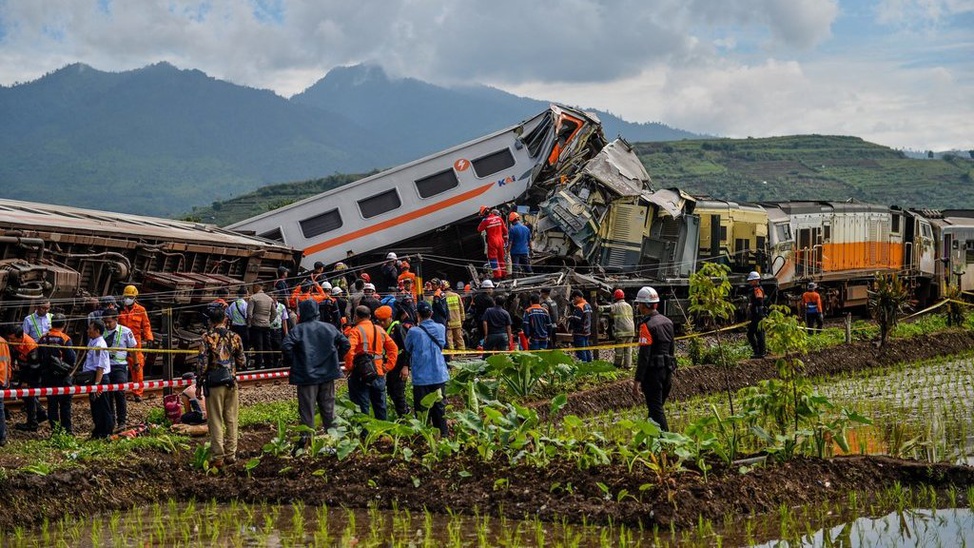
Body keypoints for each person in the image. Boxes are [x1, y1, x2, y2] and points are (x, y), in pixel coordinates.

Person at [283, 299, 351, 447]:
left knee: (307, 411)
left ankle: (307, 443)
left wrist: (296, 361)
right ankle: (333, 442)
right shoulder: (330, 328)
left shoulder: (298, 330)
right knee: (328, 408)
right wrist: (335, 358)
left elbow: (286, 346)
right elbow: (346, 343)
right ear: (317, 312)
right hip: (328, 374)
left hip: (306, 376)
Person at [196, 307, 246, 468]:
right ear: (225, 318)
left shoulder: (207, 337)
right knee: (231, 418)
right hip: (231, 381)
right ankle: (231, 454)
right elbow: (242, 361)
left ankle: (218, 456)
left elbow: (202, 364)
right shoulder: (235, 336)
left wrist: (198, 383)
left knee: (215, 420)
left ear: (210, 321)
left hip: (214, 383)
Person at [631, 286, 675, 431]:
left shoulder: (646, 326)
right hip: (667, 371)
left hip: (653, 374)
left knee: (656, 410)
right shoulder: (668, 322)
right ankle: (650, 440)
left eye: (639, 304)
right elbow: (671, 349)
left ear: (644, 306)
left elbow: (644, 356)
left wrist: (637, 381)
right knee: (655, 409)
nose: (638, 306)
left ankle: (667, 441)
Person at [344, 306, 398, 420]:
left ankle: (365, 434)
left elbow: (349, 351)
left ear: (356, 317)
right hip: (378, 372)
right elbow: (393, 348)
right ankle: (383, 432)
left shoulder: (356, 331)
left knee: (362, 406)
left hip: (360, 374)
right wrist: (388, 366)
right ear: (369, 316)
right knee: (380, 405)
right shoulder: (379, 330)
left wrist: (350, 367)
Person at [405, 300, 450, 437]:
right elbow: (442, 343)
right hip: (438, 373)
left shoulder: (413, 331)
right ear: (431, 313)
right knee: (439, 407)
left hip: (421, 376)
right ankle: (443, 435)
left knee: (422, 409)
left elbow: (407, 348)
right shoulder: (441, 328)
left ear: (417, 314)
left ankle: (423, 436)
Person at [38, 313, 76, 435]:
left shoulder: (43, 338)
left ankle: (55, 431)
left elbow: (39, 357)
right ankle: (67, 431)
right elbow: (71, 359)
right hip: (63, 376)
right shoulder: (65, 339)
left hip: (48, 376)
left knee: (52, 404)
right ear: (64, 325)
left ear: (52, 324)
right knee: (65, 405)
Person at [101, 310, 138, 430]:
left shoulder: (126, 332)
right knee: (108, 394)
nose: (107, 325)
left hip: (120, 366)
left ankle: (122, 421)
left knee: (120, 393)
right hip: (106, 367)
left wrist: (136, 363)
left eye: (109, 322)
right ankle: (110, 421)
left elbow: (132, 349)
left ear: (116, 320)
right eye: (105, 322)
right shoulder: (101, 332)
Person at [119, 284, 154, 402]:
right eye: (126, 296)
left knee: (137, 368)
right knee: (119, 368)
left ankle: (138, 393)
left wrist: (149, 338)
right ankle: (119, 391)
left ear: (134, 298)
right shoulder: (120, 310)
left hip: (135, 344)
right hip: (121, 344)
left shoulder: (141, 310)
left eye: (130, 297)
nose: (127, 299)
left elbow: (146, 325)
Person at [375, 305, 412, 417]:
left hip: (400, 365)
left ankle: (405, 415)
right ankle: (401, 414)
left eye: (384, 320)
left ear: (390, 317)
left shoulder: (398, 328)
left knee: (398, 392)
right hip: (391, 365)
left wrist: (406, 366)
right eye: (379, 320)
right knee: (391, 390)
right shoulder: (383, 329)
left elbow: (407, 349)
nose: (381, 323)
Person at [5, 326, 43, 432]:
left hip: (33, 374)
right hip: (25, 370)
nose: (10, 342)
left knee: (30, 396)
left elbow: (34, 367)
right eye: (9, 339)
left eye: (13, 339)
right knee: (27, 396)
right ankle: (40, 414)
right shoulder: (16, 344)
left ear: (20, 337)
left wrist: (27, 381)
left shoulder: (30, 346)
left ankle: (33, 423)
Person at [83, 319, 114, 439]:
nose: (88, 331)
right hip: (95, 377)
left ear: (97, 331)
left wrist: (97, 384)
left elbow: (100, 367)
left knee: (103, 406)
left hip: (99, 378)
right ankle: (98, 431)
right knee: (95, 407)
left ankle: (105, 432)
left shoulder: (99, 345)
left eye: (90, 329)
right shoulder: (93, 342)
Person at [247, 280, 278, 370]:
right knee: (267, 346)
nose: (252, 288)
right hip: (267, 326)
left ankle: (258, 366)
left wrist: (249, 324)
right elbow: (275, 313)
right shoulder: (269, 299)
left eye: (253, 286)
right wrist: (269, 321)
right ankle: (269, 366)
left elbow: (249, 313)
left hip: (256, 326)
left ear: (257, 286)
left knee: (258, 347)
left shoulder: (253, 298)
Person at [477, 207, 508, 280]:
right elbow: (505, 231)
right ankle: (504, 274)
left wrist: (483, 220)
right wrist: (505, 241)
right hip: (500, 241)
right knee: (501, 258)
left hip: (492, 241)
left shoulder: (486, 221)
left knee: (493, 259)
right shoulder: (499, 219)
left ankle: (497, 276)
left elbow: (479, 229)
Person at [611, 289, 635, 369]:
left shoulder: (616, 305)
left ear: (615, 297)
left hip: (622, 332)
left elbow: (610, 314)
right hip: (631, 331)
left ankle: (617, 365)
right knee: (628, 350)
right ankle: (628, 366)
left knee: (619, 350)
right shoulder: (629, 305)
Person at [746, 271, 767, 359]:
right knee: (759, 333)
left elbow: (759, 301)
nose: (750, 282)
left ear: (756, 280)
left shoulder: (757, 290)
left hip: (758, 314)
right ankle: (761, 351)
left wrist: (751, 305)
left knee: (752, 333)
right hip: (759, 314)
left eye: (751, 280)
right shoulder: (757, 289)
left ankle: (758, 351)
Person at [568, 290, 593, 362]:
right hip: (587, 331)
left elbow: (577, 320)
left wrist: (570, 318)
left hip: (579, 332)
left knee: (581, 351)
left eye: (574, 298)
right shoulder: (587, 305)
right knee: (586, 349)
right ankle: (590, 364)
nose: (573, 300)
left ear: (577, 297)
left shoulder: (580, 307)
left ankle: (584, 367)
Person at [443, 281, 466, 352]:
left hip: (448, 322)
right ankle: (462, 354)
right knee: (459, 338)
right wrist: (462, 319)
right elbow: (462, 309)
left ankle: (451, 356)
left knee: (449, 340)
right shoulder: (457, 295)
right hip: (457, 321)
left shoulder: (442, 296)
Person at [508, 212, 533, 276]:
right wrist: (531, 250)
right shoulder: (526, 228)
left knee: (515, 268)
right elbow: (529, 241)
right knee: (527, 267)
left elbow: (510, 242)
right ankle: (532, 280)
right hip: (524, 251)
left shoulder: (512, 229)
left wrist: (507, 251)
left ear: (511, 220)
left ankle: (514, 282)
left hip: (515, 252)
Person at [268, 293, 289, 368]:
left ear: (276, 296)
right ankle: (271, 364)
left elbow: (284, 320)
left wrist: (286, 332)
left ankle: (276, 364)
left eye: (272, 295)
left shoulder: (282, 306)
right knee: (270, 347)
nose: (271, 297)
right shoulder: (268, 306)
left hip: (278, 330)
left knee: (278, 347)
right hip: (269, 329)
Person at [227, 286, 250, 351]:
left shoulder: (232, 304)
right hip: (243, 327)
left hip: (234, 328)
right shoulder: (245, 305)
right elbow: (247, 316)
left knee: (235, 345)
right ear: (245, 294)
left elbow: (230, 317)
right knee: (244, 345)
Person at [0, 333, 11, 446]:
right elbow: (8, 361)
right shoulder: (3, 341)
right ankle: (1, 437)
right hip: (2, 378)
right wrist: (8, 378)